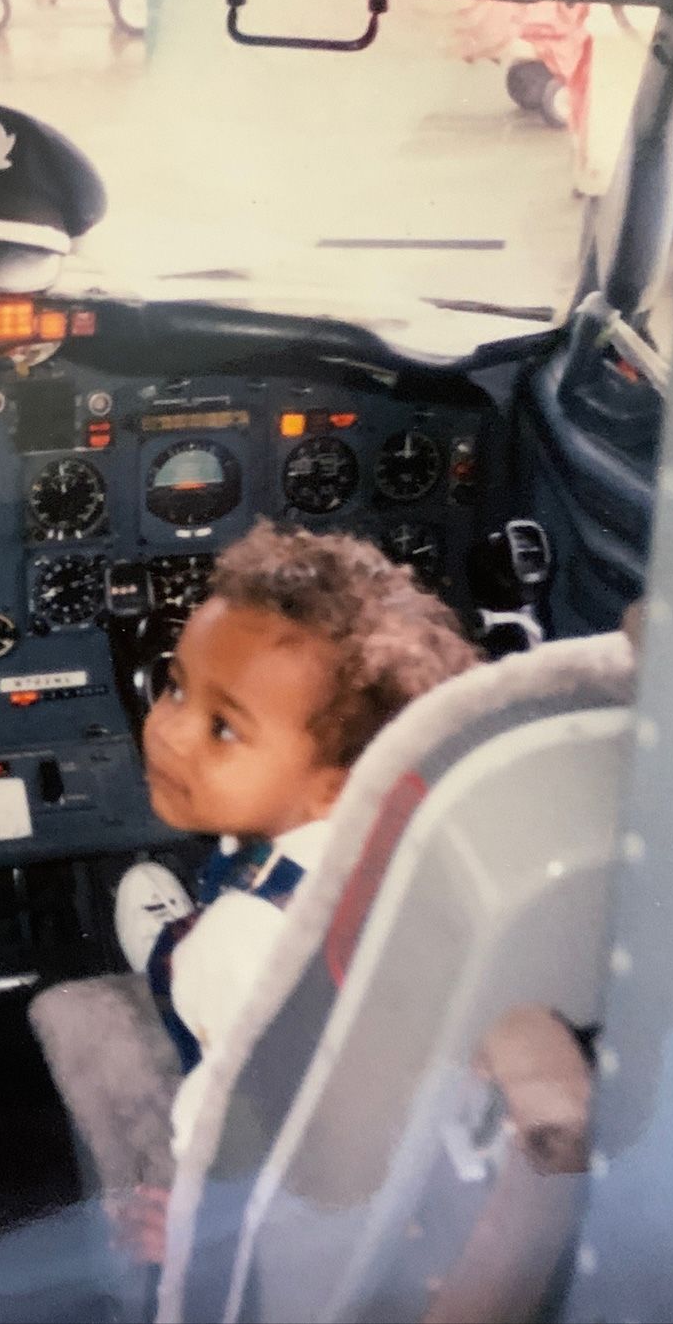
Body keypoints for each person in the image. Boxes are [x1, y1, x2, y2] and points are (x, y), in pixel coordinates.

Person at [105, 521, 481, 1264]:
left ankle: (167, 957)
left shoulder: (242, 945)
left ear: (334, 787)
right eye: (176, 686)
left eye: (223, 729)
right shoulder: (411, 832)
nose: (169, 732)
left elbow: (237, 1122)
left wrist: (195, 1214)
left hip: (279, 1083)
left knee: (194, 980)